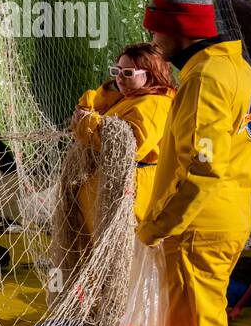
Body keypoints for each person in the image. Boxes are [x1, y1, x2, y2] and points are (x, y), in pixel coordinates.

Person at [137, 0, 251, 326]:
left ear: (180, 30)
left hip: (198, 227)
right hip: (226, 216)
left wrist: (157, 226)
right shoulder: (237, 67)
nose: (152, 38)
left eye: (157, 28)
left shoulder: (207, 77)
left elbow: (201, 168)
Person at [69, 42, 175, 244]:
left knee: (120, 251)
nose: (119, 77)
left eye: (128, 73)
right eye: (116, 71)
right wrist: (110, 91)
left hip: (128, 195)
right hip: (110, 189)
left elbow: (128, 146)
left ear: (151, 75)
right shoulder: (130, 97)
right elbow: (96, 112)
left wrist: (86, 121)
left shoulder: (153, 104)